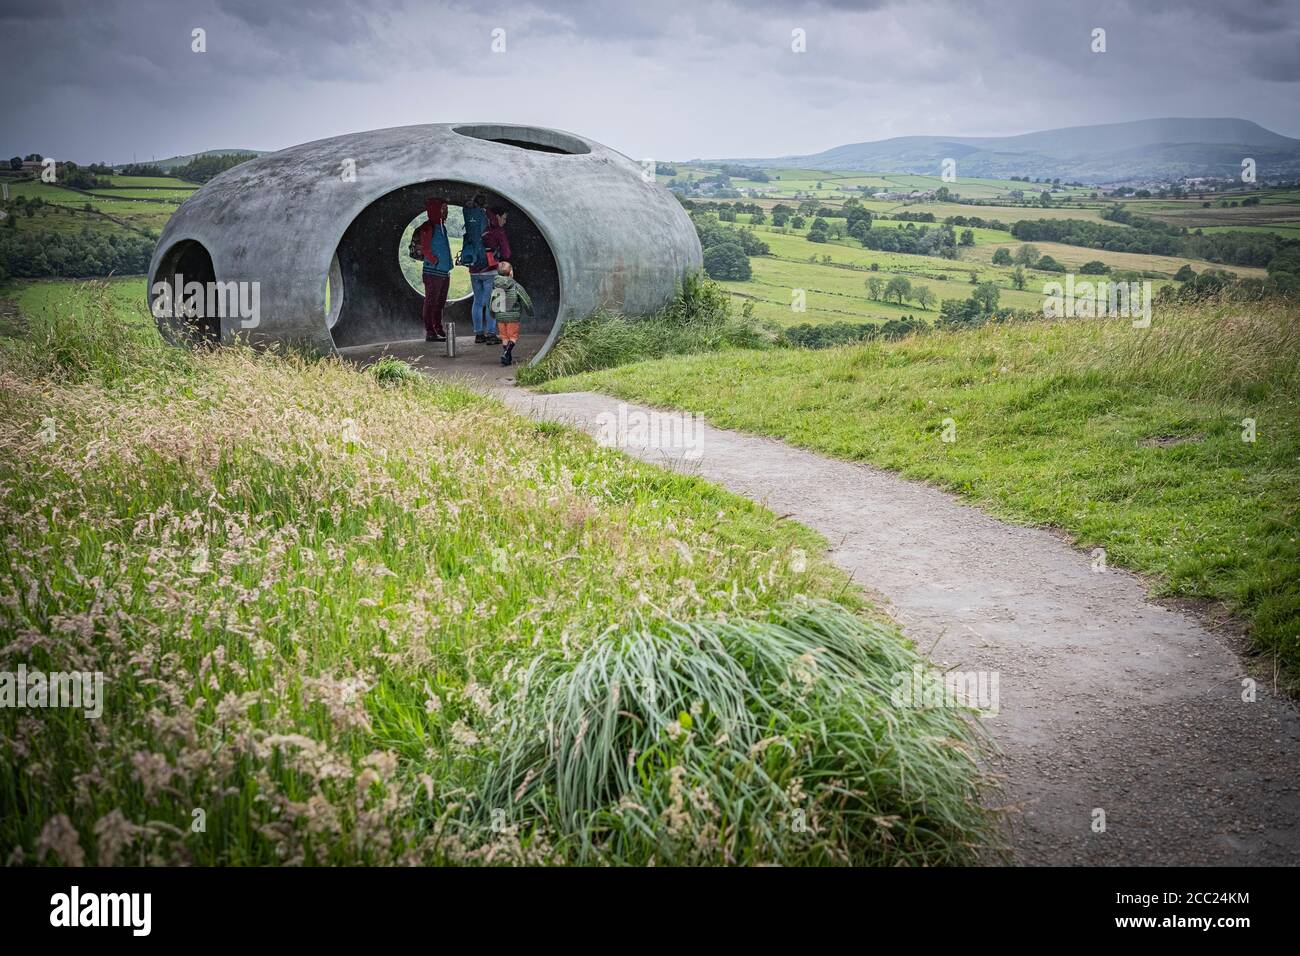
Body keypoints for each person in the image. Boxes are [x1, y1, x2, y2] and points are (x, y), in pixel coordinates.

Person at [464, 196, 504, 345]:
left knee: (478, 302)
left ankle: (479, 334)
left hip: (474, 269)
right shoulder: (487, 218)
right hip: (489, 270)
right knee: (491, 302)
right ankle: (491, 334)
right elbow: (505, 250)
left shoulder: (470, 217)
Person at [418, 197, 451, 342]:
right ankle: (430, 331)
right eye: (442, 208)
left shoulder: (442, 227)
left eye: (445, 208)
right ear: (435, 210)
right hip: (433, 272)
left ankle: (438, 328)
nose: (445, 211)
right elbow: (425, 248)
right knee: (431, 301)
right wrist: (434, 260)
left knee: (440, 302)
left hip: (443, 272)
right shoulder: (428, 226)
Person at [490, 260, 532, 366]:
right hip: (512, 317)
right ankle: (506, 353)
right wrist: (530, 311)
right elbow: (525, 299)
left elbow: (491, 301)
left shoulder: (495, 286)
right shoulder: (515, 286)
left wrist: (492, 313)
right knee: (513, 337)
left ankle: (507, 358)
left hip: (500, 316)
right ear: (511, 273)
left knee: (504, 337)